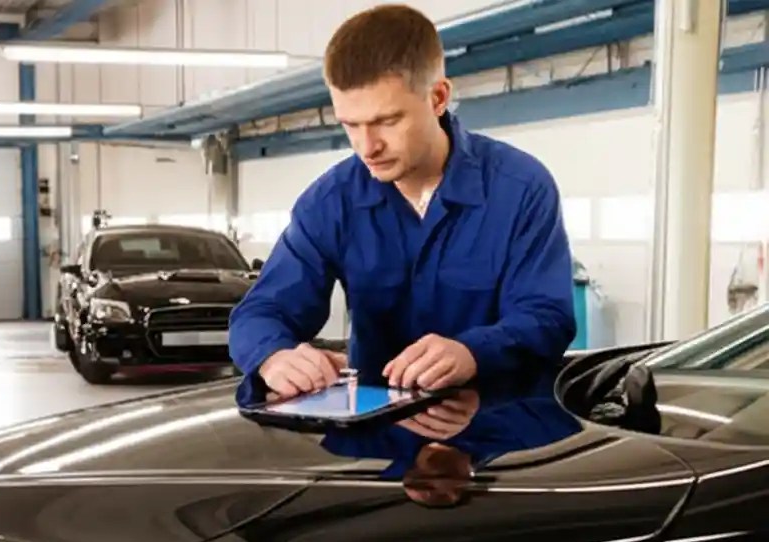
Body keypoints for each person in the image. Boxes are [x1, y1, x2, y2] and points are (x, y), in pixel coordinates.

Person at [228, 3, 576, 402]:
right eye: (350, 125)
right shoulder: (330, 202)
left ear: (438, 97)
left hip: (495, 432)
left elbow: (547, 318)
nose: (367, 147)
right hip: (376, 442)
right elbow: (261, 312)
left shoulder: (520, 189)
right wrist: (273, 355)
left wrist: (473, 352)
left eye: (387, 121)